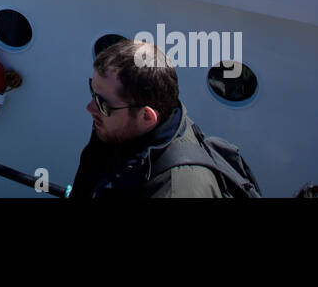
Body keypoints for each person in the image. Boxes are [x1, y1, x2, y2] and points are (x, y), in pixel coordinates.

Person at [71, 39, 222, 198]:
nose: (90, 107)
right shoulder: (118, 129)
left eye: (102, 103)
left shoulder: (176, 189)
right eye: (92, 92)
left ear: (147, 117)